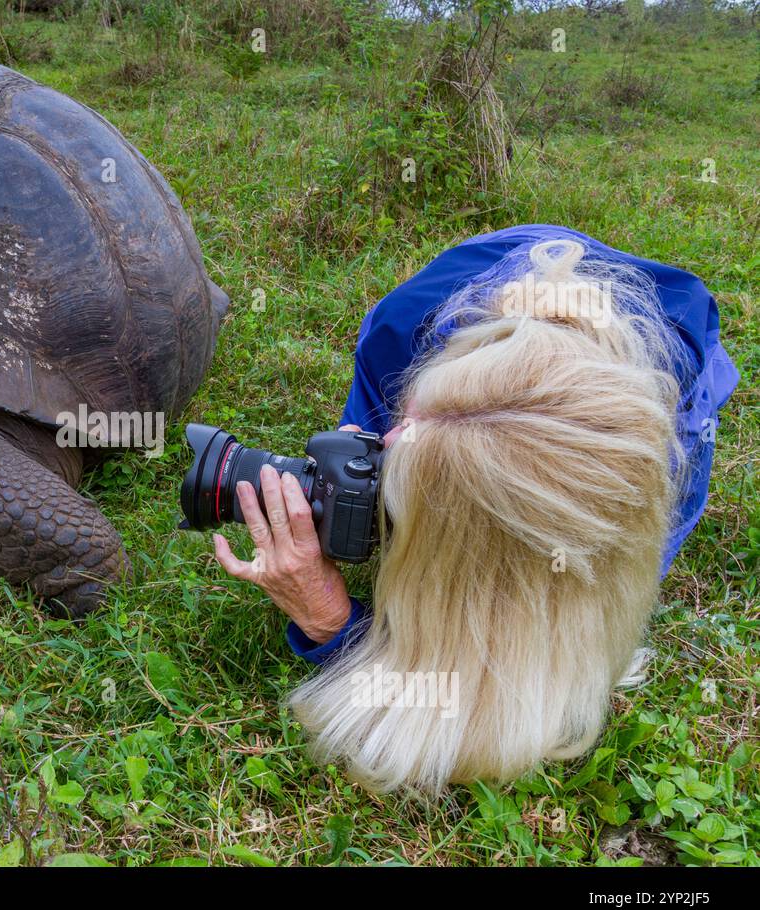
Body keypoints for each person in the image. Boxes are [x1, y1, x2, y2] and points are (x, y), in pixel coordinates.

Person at [212, 225, 739, 792]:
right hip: (451, 296)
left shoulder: (652, 475)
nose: (382, 445)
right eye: (401, 427)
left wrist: (330, 622)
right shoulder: (396, 338)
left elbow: (490, 697)